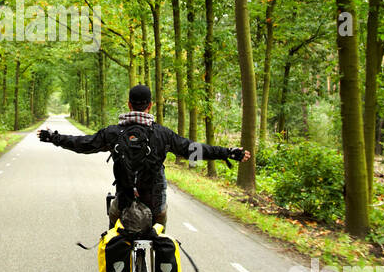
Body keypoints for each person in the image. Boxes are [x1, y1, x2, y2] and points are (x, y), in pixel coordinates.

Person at [37, 84, 249, 231]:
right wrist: (227, 152)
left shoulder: (112, 133)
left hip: (126, 197)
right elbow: (192, 149)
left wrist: (53, 138)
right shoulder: (162, 134)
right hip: (154, 198)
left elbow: (83, 145)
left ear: (129, 105)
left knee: (114, 217)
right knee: (161, 220)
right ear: (150, 106)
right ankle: (157, 268)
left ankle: (119, 248)